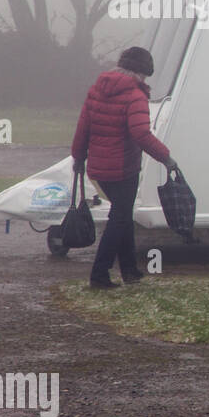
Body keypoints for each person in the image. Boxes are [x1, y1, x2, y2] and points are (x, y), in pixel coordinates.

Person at [71, 46, 177, 289]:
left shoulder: (96, 89)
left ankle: (130, 270)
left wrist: (78, 157)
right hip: (123, 168)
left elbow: (83, 127)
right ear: (141, 71)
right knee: (119, 219)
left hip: (99, 168)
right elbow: (140, 133)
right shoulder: (135, 95)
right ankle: (99, 274)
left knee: (123, 215)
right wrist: (166, 157)